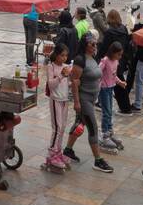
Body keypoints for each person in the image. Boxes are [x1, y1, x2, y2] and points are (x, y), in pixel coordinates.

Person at [63, 33, 115, 172]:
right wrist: (77, 102)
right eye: (92, 44)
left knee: (79, 124)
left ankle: (67, 150)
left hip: (92, 99)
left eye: (95, 44)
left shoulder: (92, 57)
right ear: (85, 44)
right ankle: (98, 160)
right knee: (93, 128)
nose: (95, 46)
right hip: (84, 99)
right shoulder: (80, 60)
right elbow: (74, 82)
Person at [42, 43, 72, 172]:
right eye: (62, 55)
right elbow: (51, 85)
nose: (64, 58)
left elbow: (67, 84)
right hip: (55, 100)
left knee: (63, 127)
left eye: (66, 55)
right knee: (57, 127)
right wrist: (62, 75)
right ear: (56, 55)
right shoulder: (51, 67)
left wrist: (72, 82)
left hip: (65, 100)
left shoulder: (66, 67)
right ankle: (51, 154)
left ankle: (58, 151)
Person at [98, 41, 127, 151]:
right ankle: (105, 134)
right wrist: (98, 84)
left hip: (111, 88)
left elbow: (114, 75)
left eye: (121, 54)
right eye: (118, 54)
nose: (120, 57)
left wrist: (120, 82)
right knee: (107, 112)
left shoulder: (116, 62)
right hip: (104, 89)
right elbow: (97, 71)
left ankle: (110, 131)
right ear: (113, 52)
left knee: (110, 110)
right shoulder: (105, 61)